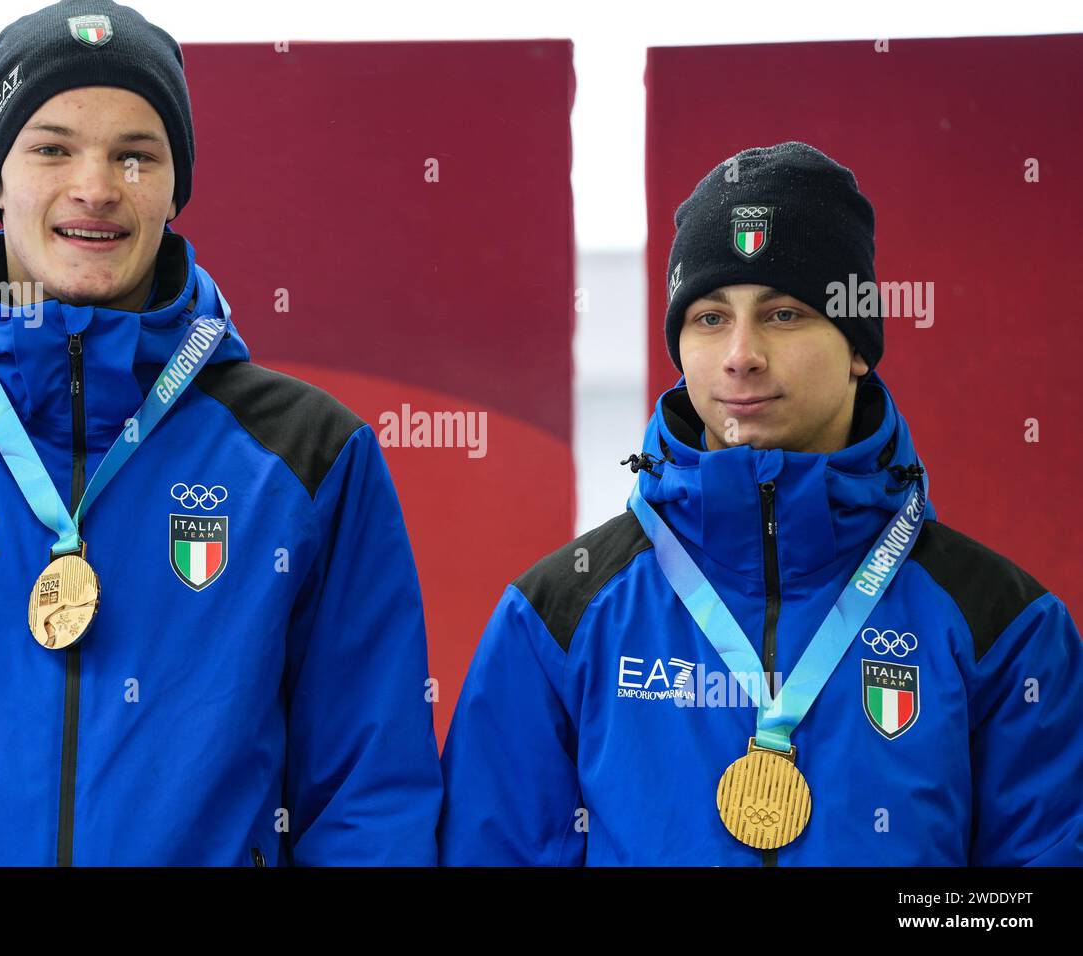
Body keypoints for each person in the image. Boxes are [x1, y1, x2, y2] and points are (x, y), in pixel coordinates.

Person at [0, 0, 441, 866]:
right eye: (52, 147)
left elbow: (367, 800)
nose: (95, 186)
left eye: (137, 155)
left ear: (175, 187)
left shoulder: (311, 457)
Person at [438, 141, 1083, 866]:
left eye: (783, 314)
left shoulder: (1004, 623)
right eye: (710, 318)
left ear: (858, 346)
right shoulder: (556, 613)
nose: (740, 354)